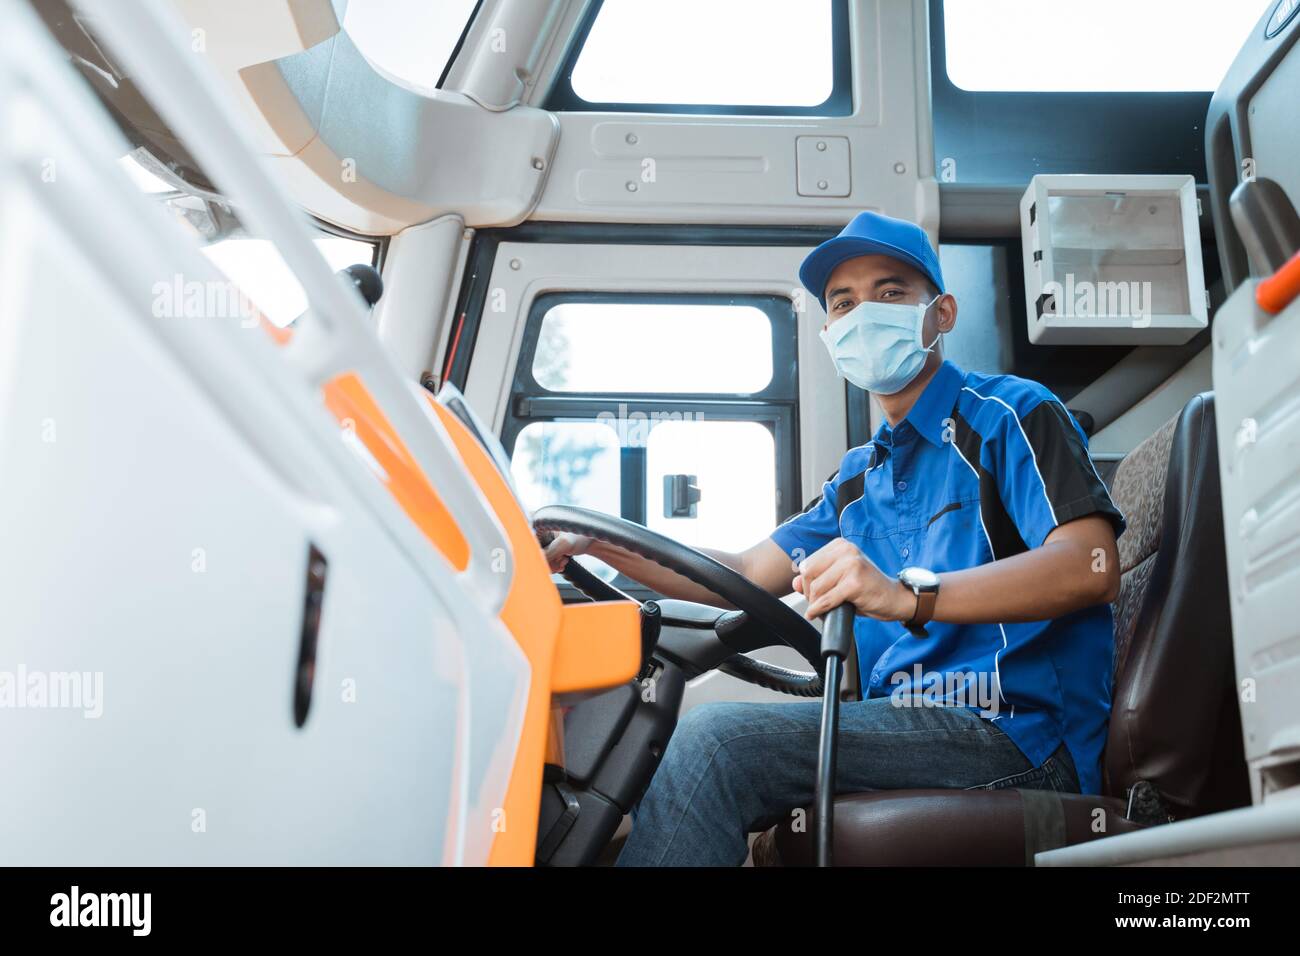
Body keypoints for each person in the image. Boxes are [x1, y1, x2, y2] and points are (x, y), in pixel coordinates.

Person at [542, 211, 1126, 866]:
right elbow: (744, 571)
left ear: (942, 313)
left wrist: (908, 595)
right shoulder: (856, 479)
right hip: (903, 726)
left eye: (890, 292)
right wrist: (601, 543)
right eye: (844, 303)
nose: (864, 314)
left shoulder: (1012, 414)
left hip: (1014, 734)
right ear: (830, 335)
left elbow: (1091, 565)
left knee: (716, 744)